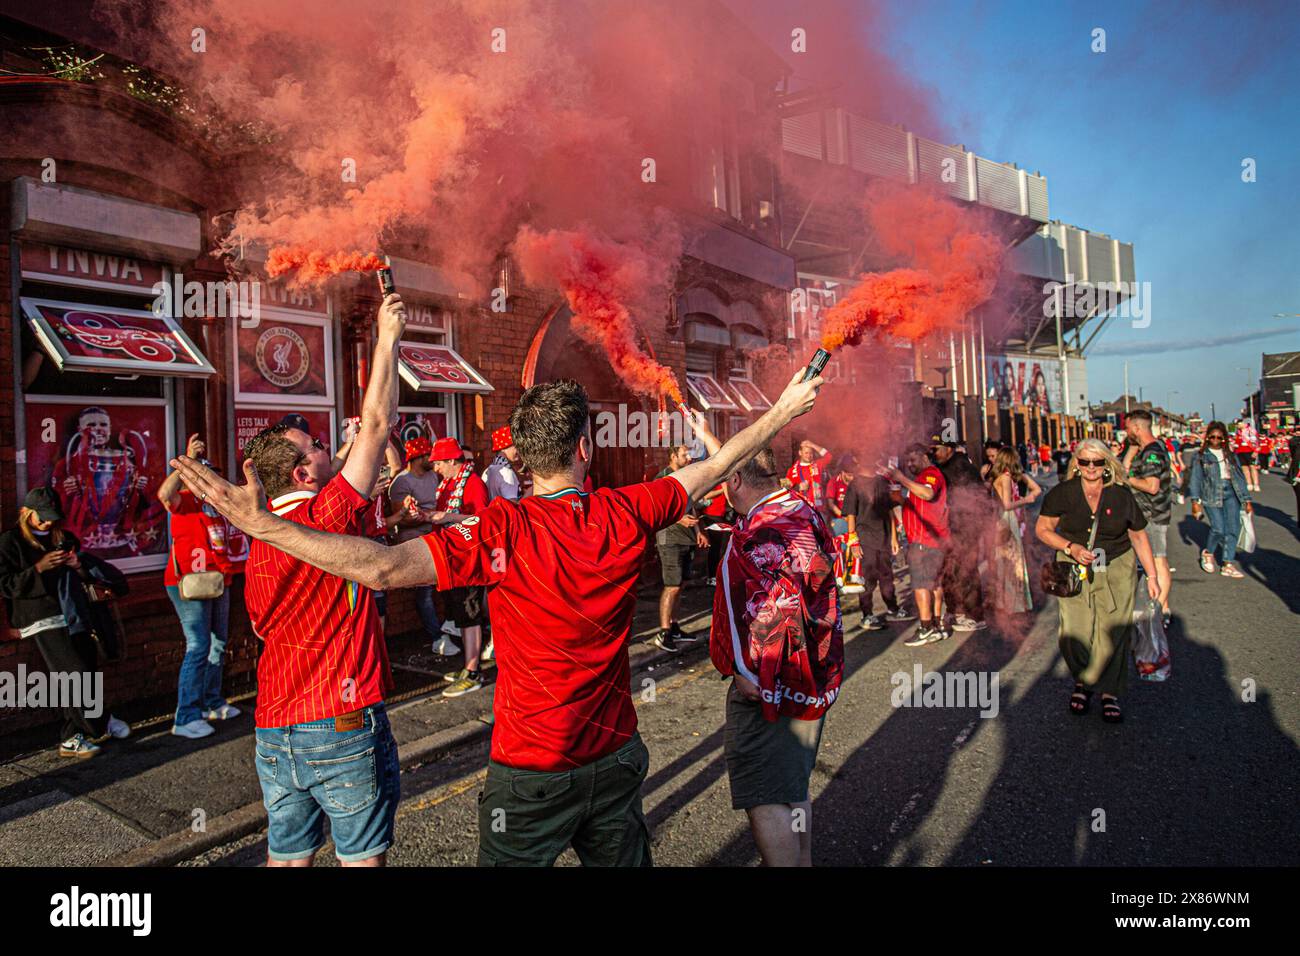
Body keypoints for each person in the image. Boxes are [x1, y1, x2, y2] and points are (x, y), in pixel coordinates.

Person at [169, 367, 824, 867]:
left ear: (521, 456)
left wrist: (262, 526)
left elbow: (380, 568)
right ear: (584, 450)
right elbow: (720, 464)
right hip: (614, 759)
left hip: (531, 769)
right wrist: (786, 408)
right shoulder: (623, 512)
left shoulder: (497, 531)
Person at [231, 290, 406, 867]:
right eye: (318, 447)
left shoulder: (259, 539)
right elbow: (378, 423)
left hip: (273, 729)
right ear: (303, 470)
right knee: (362, 859)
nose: (329, 448)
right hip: (340, 720)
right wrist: (386, 338)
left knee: (288, 858)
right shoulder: (321, 514)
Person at [707, 445, 843, 866]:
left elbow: (745, 613)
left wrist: (747, 674)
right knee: (792, 783)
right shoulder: (803, 510)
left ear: (735, 481)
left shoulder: (749, 537)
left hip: (770, 684)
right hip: (815, 673)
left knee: (765, 795)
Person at [0, 487, 131, 757]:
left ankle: (78, 733)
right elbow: (6, 585)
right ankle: (94, 724)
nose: (47, 523)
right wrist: (39, 568)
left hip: (73, 612)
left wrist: (76, 565)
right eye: (42, 518)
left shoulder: (64, 537)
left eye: (52, 518)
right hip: (40, 617)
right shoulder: (9, 542)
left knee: (86, 670)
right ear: (26, 513)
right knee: (74, 673)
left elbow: (83, 577)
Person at [1035, 439, 1159, 724]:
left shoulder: (1120, 495)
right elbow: (1042, 529)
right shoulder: (1062, 494)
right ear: (1076, 463)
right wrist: (1070, 547)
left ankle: (1108, 693)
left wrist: (1152, 576)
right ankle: (1086, 679)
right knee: (1074, 632)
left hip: (1117, 565)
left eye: (1098, 462)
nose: (1091, 467)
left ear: (1106, 464)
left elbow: (1139, 536)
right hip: (1073, 567)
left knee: (1112, 631)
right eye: (1085, 462)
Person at [158, 432, 241, 740]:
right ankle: (185, 715)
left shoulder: (221, 505)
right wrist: (185, 463)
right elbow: (165, 496)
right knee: (198, 646)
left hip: (220, 578)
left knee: (219, 643)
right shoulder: (186, 502)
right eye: (202, 476)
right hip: (188, 583)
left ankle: (211, 701)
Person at [425, 436, 491, 697]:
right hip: (453, 560)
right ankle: (468, 665)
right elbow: (443, 516)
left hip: (469, 561)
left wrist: (448, 517)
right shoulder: (448, 484)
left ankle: (473, 671)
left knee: (469, 614)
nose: (436, 468)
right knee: (461, 615)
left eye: (439, 463)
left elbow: (484, 518)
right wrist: (426, 515)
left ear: (452, 461)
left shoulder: (472, 483)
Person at [389, 436, 458, 657]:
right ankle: (437, 637)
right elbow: (402, 519)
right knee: (425, 591)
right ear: (417, 458)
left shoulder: (432, 477)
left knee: (450, 581)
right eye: (429, 455)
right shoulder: (402, 482)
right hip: (415, 540)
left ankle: (453, 624)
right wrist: (428, 517)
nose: (433, 459)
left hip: (437, 534)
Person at [882, 444, 950, 646]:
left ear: (924, 457)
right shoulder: (920, 479)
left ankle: (926, 628)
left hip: (925, 541)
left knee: (921, 585)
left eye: (913, 460)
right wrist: (902, 500)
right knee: (934, 584)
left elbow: (927, 494)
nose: (909, 465)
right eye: (907, 462)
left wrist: (901, 478)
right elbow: (922, 504)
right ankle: (937, 626)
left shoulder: (931, 474)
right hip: (929, 540)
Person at [844, 457, 912, 630]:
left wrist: (894, 537)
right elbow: (851, 514)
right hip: (865, 538)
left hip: (883, 537)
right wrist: (853, 540)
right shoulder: (855, 485)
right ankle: (867, 615)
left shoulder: (882, 482)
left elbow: (889, 510)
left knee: (887, 576)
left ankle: (893, 608)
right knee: (868, 580)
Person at [653, 444, 706, 654]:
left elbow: (691, 505)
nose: (689, 458)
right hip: (669, 539)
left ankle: (674, 627)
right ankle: (663, 632)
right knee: (671, 586)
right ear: (673, 456)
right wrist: (679, 519)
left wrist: (700, 532)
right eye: (685, 455)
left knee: (681, 585)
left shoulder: (686, 476)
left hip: (687, 539)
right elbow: (656, 509)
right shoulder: (662, 479)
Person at [931, 438, 988, 632]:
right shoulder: (942, 467)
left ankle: (974, 615)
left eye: (936, 449)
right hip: (949, 528)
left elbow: (977, 500)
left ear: (949, 449)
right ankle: (955, 611)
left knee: (967, 569)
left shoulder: (962, 468)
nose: (933, 453)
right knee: (949, 570)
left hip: (966, 527)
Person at [1121, 410, 1174, 620]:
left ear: (1136, 428)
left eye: (1127, 428)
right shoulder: (1145, 449)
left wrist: (1127, 479)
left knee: (1157, 561)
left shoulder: (1152, 452)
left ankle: (1158, 611)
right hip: (1142, 513)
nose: (1125, 432)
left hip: (1152, 514)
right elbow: (1124, 467)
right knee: (1149, 561)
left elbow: (1151, 486)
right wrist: (1132, 451)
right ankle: (1163, 606)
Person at [1189, 421, 1253, 579]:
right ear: (1207, 437)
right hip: (1211, 494)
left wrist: (1246, 500)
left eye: (1219, 437)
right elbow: (1195, 479)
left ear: (1224, 438)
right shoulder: (1200, 456)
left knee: (1233, 529)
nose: (1215, 440)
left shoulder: (1230, 455)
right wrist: (1195, 502)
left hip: (1232, 491)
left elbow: (1239, 478)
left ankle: (1227, 563)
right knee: (1218, 528)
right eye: (1212, 437)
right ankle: (1208, 553)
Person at [987, 447, 1038, 614]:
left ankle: (1003, 602)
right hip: (1008, 519)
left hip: (999, 520)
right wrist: (1026, 500)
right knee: (1013, 562)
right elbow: (1007, 504)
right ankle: (1013, 603)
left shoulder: (997, 477)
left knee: (1003, 562)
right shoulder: (1006, 478)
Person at [785, 439, 833, 512]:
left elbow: (829, 456)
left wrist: (813, 445)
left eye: (811, 453)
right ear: (800, 453)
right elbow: (784, 488)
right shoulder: (792, 470)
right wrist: (798, 487)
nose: (809, 455)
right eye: (806, 453)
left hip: (820, 509)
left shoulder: (818, 464)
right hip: (804, 510)